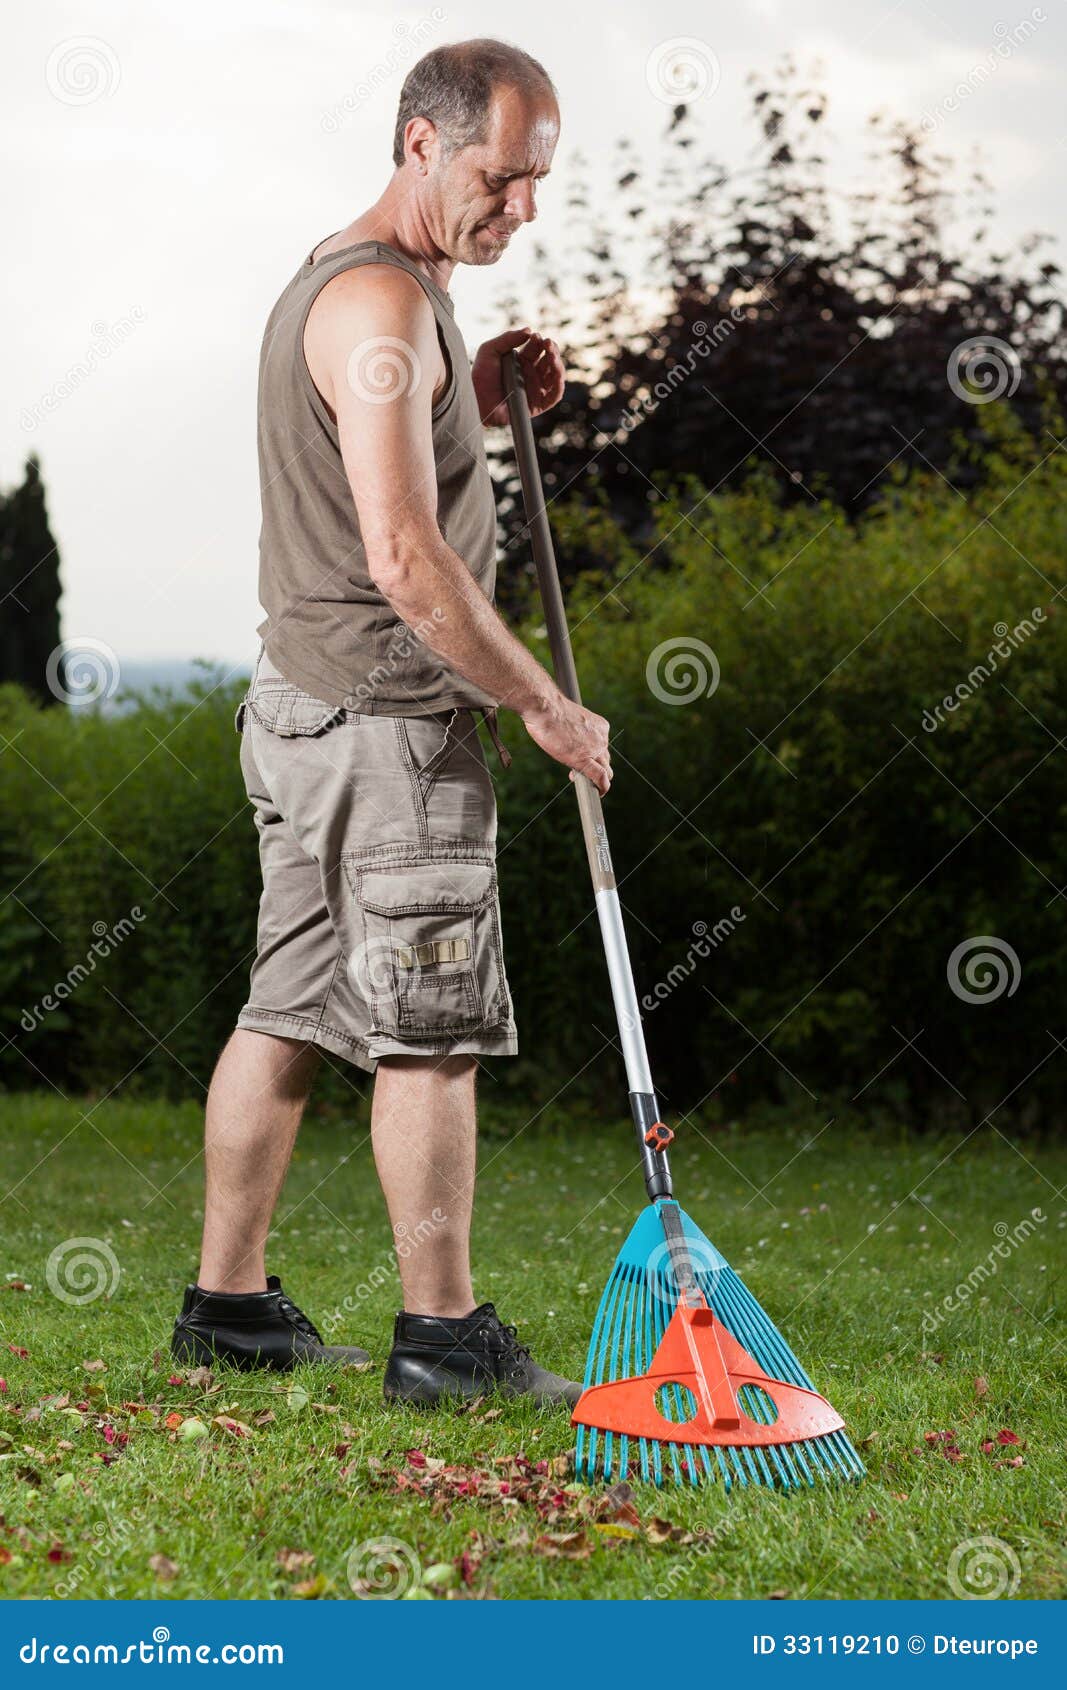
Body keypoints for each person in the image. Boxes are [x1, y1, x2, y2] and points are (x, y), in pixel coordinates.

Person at [171, 38, 612, 1406]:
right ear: (421, 143)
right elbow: (408, 560)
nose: (522, 208)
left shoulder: (379, 293)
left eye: (538, 182)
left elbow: (378, 434)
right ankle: (445, 1337)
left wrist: (473, 397)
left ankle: (229, 1305)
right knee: (429, 1025)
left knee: (290, 1006)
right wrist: (540, 699)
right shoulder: (379, 305)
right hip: (386, 725)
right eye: (501, 176)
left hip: (299, 707)